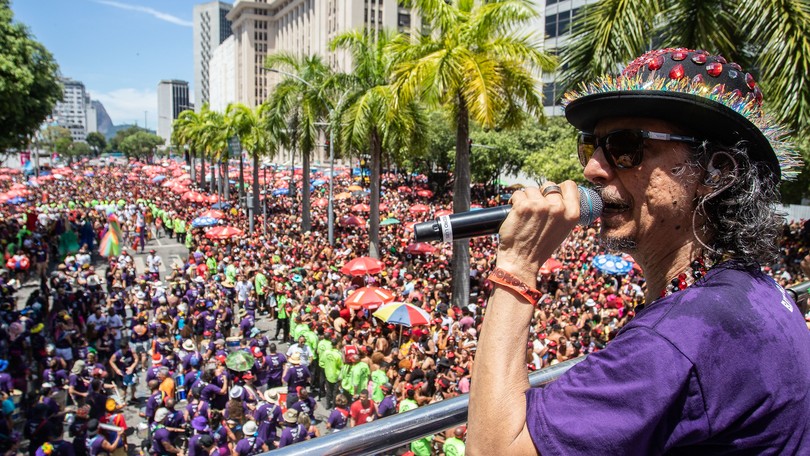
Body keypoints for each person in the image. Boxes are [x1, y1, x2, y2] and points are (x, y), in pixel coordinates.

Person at [468, 48, 810, 454]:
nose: (592, 169)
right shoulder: (754, 288)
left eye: (626, 147)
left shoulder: (675, 339)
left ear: (717, 173)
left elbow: (492, 449)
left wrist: (517, 266)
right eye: (590, 147)